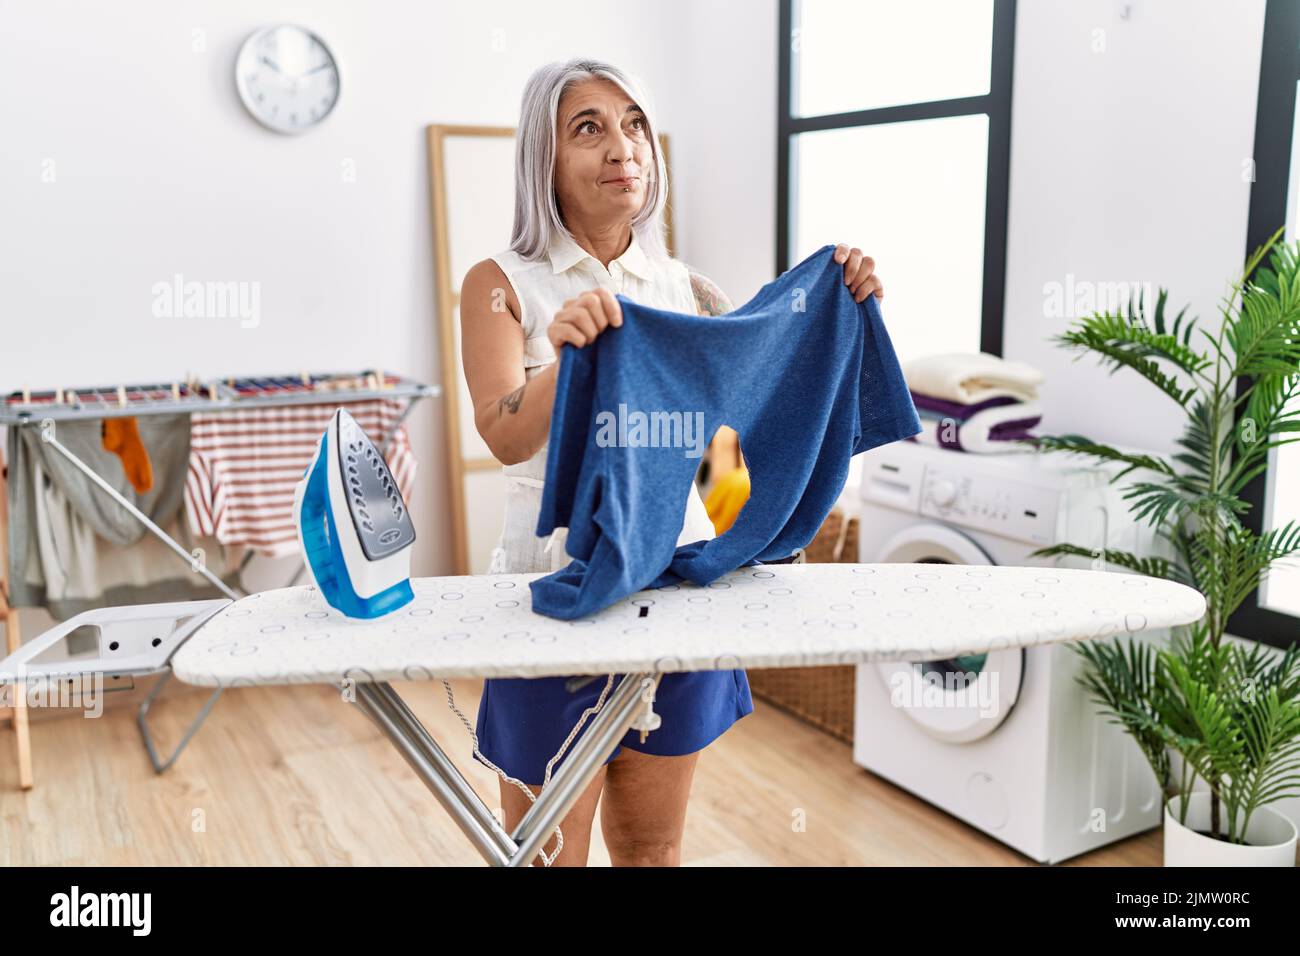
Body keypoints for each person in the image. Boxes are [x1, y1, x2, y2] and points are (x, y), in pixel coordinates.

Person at [458, 57, 884, 867]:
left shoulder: (691, 291)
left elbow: (724, 475)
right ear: (541, 160)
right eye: (588, 129)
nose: (622, 147)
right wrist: (567, 353)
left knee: (653, 850)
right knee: (543, 853)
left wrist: (831, 321)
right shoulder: (502, 284)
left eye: (635, 126)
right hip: (550, 601)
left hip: (676, 598)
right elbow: (502, 432)